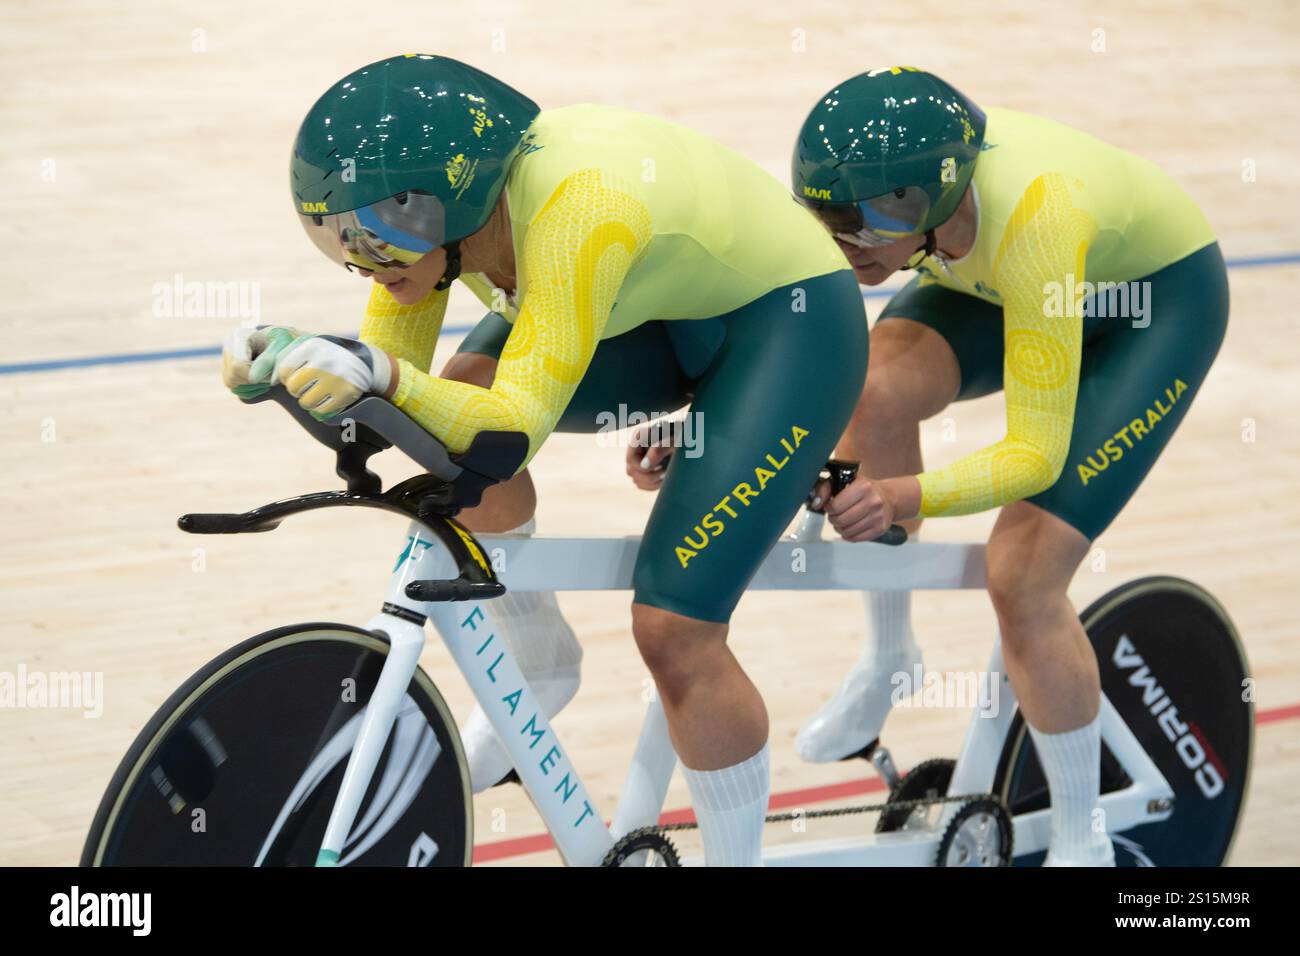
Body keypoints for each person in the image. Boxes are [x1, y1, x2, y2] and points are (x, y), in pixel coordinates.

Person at [222, 53, 870, 866]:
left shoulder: (578, 212)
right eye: (338, 240)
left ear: (444, 205)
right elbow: (397, 393)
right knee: (452, 393)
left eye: (374, 234)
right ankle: (540, 659)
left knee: (674, 628)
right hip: (661, 316)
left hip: (789, 330)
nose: (363, 259)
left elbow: (507, 432)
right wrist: (291, 363)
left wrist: (382, 377)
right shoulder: (434, 238)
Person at [783, 66, 1228, 865]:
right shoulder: (914, 203)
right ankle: (890, 659)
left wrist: (902, 494)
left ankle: (1083, 834)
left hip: (1154, 305)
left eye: (856, 229)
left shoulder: (1036, 222)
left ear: (921, 205)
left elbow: (1034, 455)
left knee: (1022, 573)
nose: (841, 247)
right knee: (874, 390)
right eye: (828, 221)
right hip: (1009, 280)